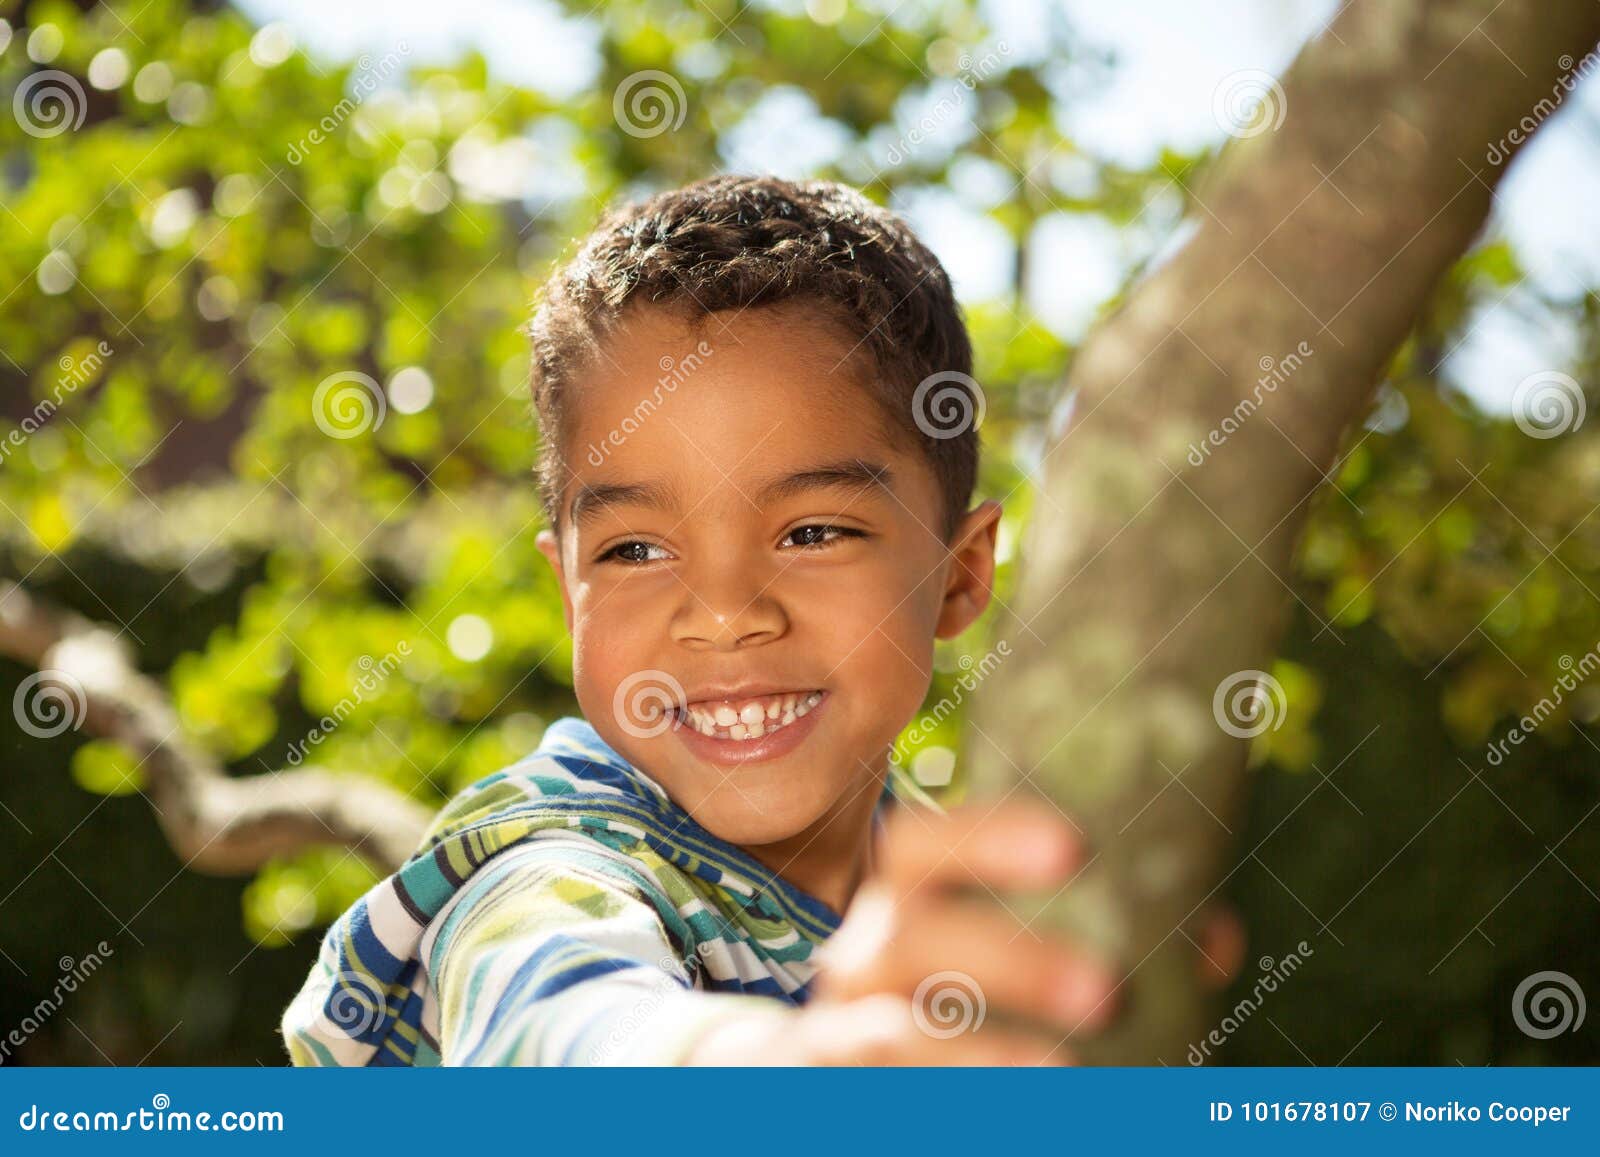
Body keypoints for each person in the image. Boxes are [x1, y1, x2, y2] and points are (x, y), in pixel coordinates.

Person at [279, 174, 1240, 1066]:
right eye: (635, 551)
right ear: (568, 591)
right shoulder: (541, 868)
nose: (726, 616)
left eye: (813, 531)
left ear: (959, 574)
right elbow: (563, 1024)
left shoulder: (961, 884)